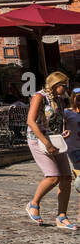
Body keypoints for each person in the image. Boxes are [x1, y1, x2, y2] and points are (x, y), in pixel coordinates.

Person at [26, 71, 74, 229]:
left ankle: (62, 216)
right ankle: (33, 204)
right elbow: (31, 122)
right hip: (38, 140)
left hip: (56, 140)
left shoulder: (59, 99)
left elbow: (59, 119)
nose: (67, 88)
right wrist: (46, 143)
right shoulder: (39, 97)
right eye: (64, 85)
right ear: (55, 85)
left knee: (66, 178)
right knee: (53, 177)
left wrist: (64, 130)